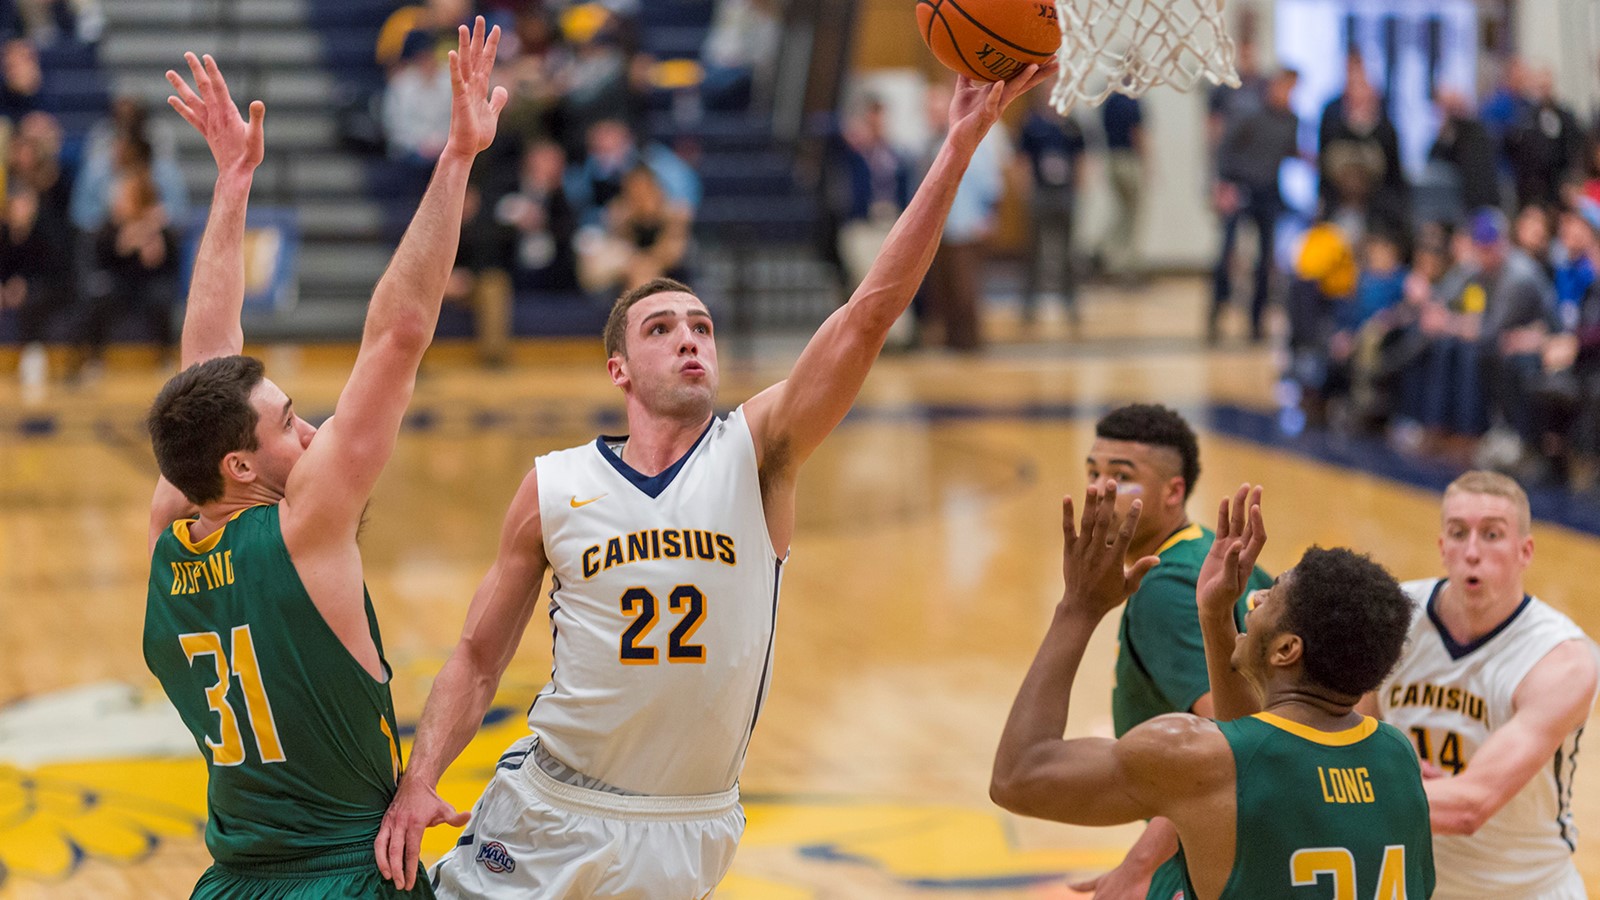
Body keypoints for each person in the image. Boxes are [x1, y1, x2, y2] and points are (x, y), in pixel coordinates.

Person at [373, 63, 1056, 897]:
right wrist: (420, 777)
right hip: (549, 807)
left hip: (690, 823)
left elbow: (868, 315)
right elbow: (479, 655)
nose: (692, 339)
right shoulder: (555, 484)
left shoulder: (756, 451)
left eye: (702, 326)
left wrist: (955, 147)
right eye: (663, 328)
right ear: (620, 369)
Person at [142, 24, 506, 898]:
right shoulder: (307, 525)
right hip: (349, 873)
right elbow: (400, 332)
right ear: (238, 466)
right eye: (290, 422)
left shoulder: (168, 530)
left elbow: (207, 364)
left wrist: (232, 186)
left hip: (231, 880)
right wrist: (458, 158)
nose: (311, 434)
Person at [991, 483, 1435, 900]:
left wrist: (1079, 608)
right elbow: (1252, 749)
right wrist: (1215, 616)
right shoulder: (1396, 755)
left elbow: (1019, 778)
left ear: (1285, 650)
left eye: (1270, 595)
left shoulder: (1191, 754)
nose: (1255, 598)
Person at [1068, 404, 1272, 899]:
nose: (1099, 489)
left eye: (1121, 476)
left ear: (1173, 491)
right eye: (1093, 472)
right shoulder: (1210, 553)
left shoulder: (1164, 588)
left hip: (1216, 847)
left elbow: (1232, 747)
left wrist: (1139, 865)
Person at [1370, 471, 1598, 899]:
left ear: (1524, 550)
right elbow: (1334, 725)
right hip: (1409, 881)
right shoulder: (1392, 620)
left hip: (1524, 889)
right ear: (1442, 547)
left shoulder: (1561, 658)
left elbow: (1470, 806)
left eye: (1492, 534)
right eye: (1458, 533)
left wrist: (1363, 783)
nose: (1472, 551)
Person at [1211, 67, 1300, 344]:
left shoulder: (1291, 121)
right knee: (1227, 254)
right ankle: (1216, 312)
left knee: (1265, 261)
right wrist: (1223, 185)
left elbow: (1288, 151)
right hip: (1240, 188)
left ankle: (1256, 319)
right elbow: (1226, 148)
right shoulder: (1250, 115)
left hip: (1268, 193)